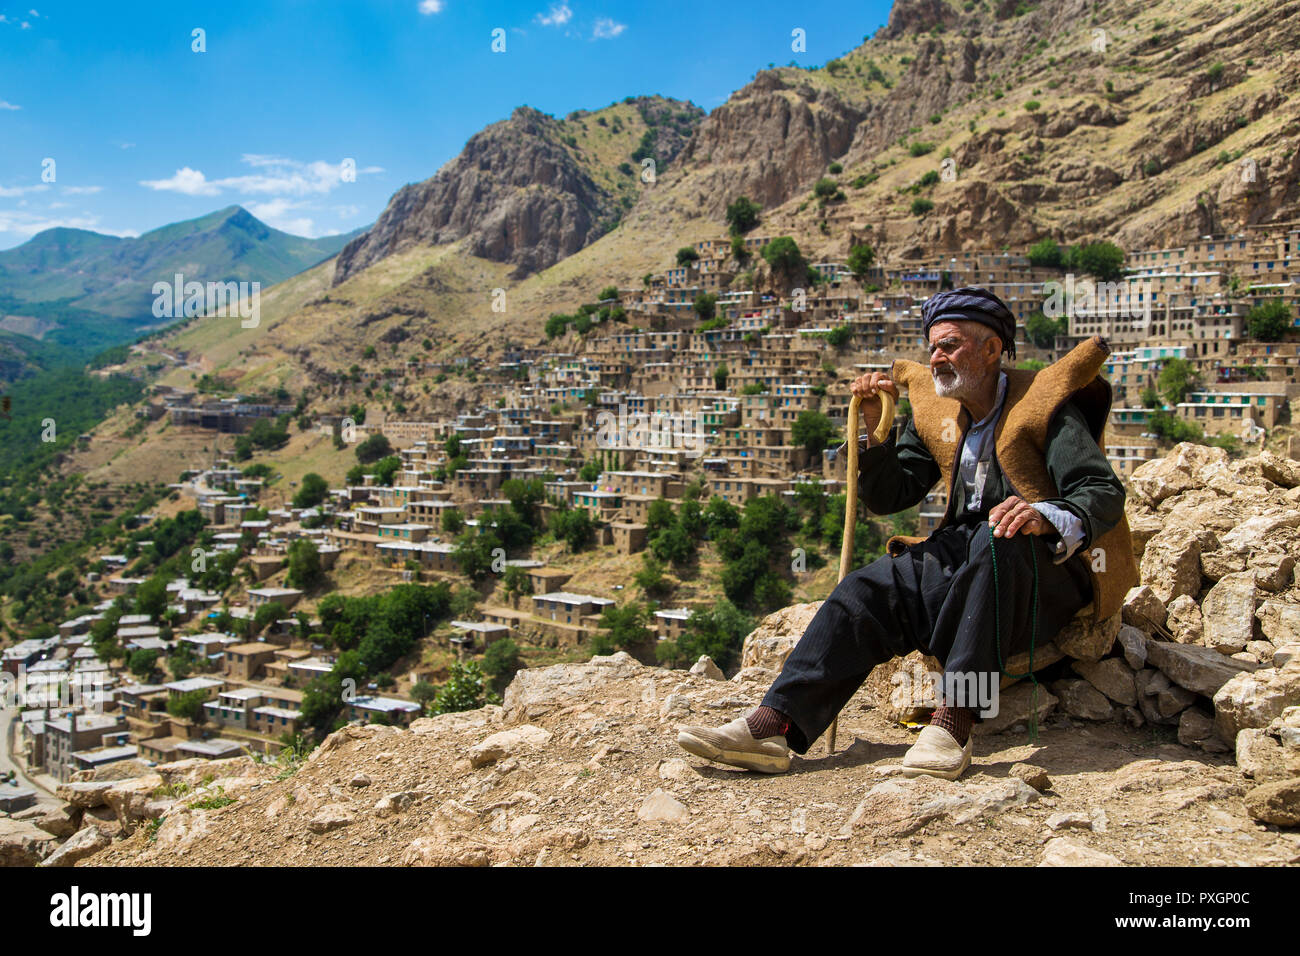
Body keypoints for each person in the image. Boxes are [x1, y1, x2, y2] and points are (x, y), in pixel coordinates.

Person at [676, 287, 1137, 780]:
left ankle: (955, 722)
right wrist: (873, 434)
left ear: (992, 350)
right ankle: (775, 727)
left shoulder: (1043, 406)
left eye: (951, 345)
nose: (936, 357)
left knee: (998, 540)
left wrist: (1044, 514)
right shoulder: (938, 413)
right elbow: (890, 496)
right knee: (868, 588)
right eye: (933, 346)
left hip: (1046, 570)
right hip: (970, 556)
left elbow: (1100, 489)